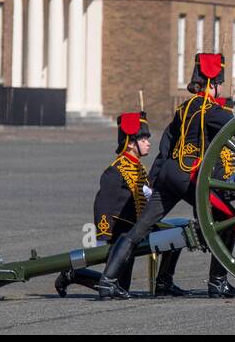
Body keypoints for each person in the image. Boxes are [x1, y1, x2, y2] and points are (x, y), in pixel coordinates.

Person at [95, 54, 235, 299]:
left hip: (170, 173)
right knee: (229, 221)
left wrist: (157, 180)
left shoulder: (183, 108)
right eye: (219, 83)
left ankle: (108, 281)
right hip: (189, 176)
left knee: (138, 230)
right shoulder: (211, 110)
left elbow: (166, 144)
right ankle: (217, 282)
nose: (220, 87)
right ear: (213, 82)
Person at [55, 111, 181, 296]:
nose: (148, 142)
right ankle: (73, 273)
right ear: (130, 143)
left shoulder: (139, 168)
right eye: (143, 139)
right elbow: (103, 205)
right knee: (119, 286)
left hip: (138, 229)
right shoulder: (115, 171)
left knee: (174, 236)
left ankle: (164, 282)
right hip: (121, 235)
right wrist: (103, 235)